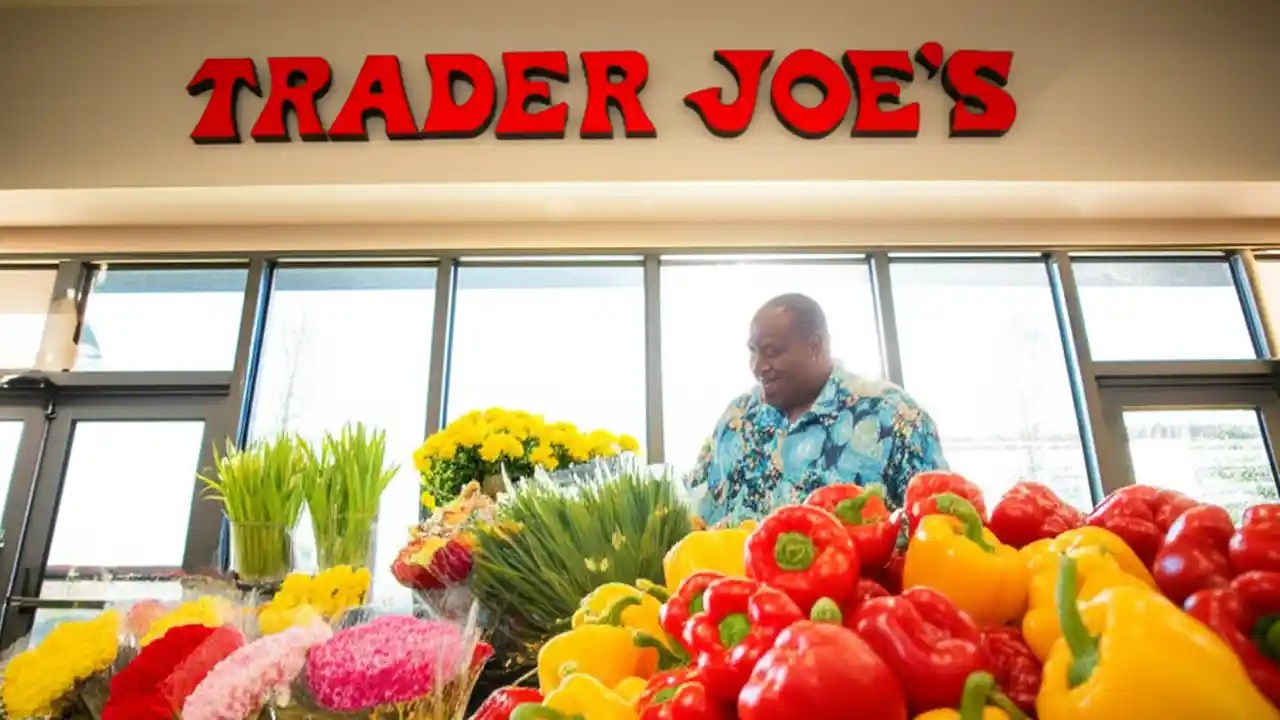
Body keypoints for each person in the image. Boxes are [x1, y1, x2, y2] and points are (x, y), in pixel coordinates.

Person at [688, 293, 947, 525]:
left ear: (815, 345)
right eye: (753, 352)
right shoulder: (737, 418)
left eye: (771, 352)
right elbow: (699, 514)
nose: (758, 366)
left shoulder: (893, 414)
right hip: (732, 577)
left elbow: (936, 525)